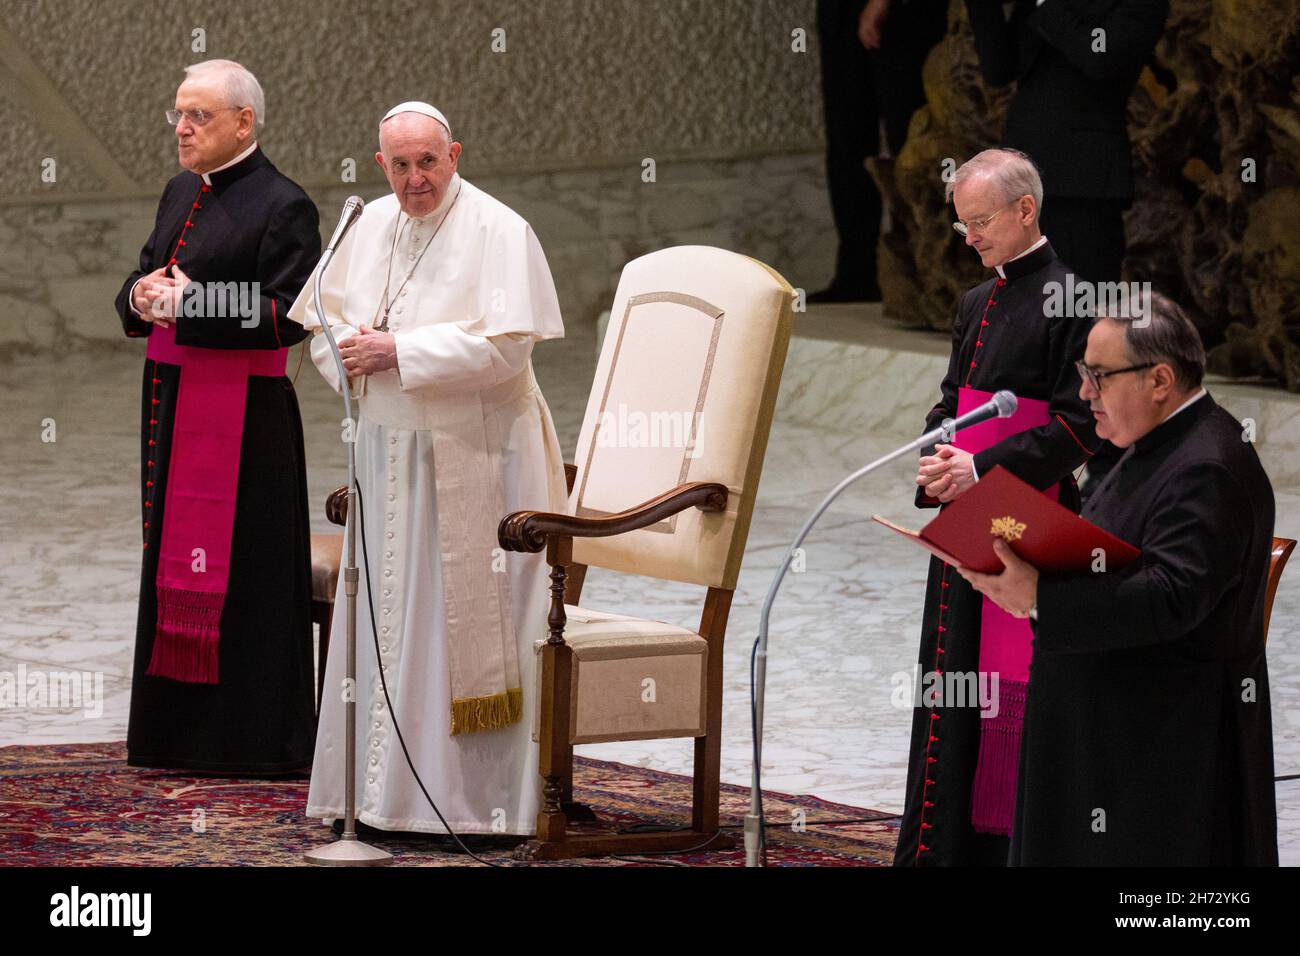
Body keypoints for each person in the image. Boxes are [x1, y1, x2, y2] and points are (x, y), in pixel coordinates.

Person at [291, 102, 568, 835]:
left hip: (479, 449)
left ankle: (469, 809)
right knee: (389, 617)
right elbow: (320, 324)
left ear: (455, 155)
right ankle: (378, 799)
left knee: (456, 630)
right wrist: (353, 356)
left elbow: (510, 349)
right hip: (389, 452)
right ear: (381, 165)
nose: (417, 180)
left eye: (430, 162)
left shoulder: (499, 230)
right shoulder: (368, 224)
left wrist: (400, 353)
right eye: (402, 165)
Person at [959, 293, 1278, 866]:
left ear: (1160, 379)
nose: (1084, 394)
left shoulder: (1207, 465)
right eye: (1084, 373)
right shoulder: (1147, 444)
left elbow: (1172, 597)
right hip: (1102, 723)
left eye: (1098, 376)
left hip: (1159, 745)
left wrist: (1039, 597)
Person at [113, 59, 320, 772]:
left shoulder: (284, 203)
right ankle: (174, 736)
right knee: (171, 565)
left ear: (244, 122)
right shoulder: (179, 192)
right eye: (178, 113)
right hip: (173, 411)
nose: (183, 126)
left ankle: (252, 740)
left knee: (249, 573)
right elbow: (145, 274)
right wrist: (140, 299)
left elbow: (286, 316)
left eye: (199, 114)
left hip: (248, 428)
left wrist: (188, 306)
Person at [894, 148, 1097, 866]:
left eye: (979, 222)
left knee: (1009, 691)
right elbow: (951, 405)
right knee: (953, 680)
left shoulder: (1076, 299)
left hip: (1026, 519)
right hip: (965, 513)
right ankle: (939, 848)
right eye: (961, 226)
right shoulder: (974, 303)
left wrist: (981, 466)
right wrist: (938, 467)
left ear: (1025, 210)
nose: (970, 237)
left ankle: (1005, 848)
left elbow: (1081, 423)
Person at [811, 0, 946, 303]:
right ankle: (856, 274)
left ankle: (920, 274)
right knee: (847, 144)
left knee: (910, 142)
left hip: (905, 12)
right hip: (842, 13)